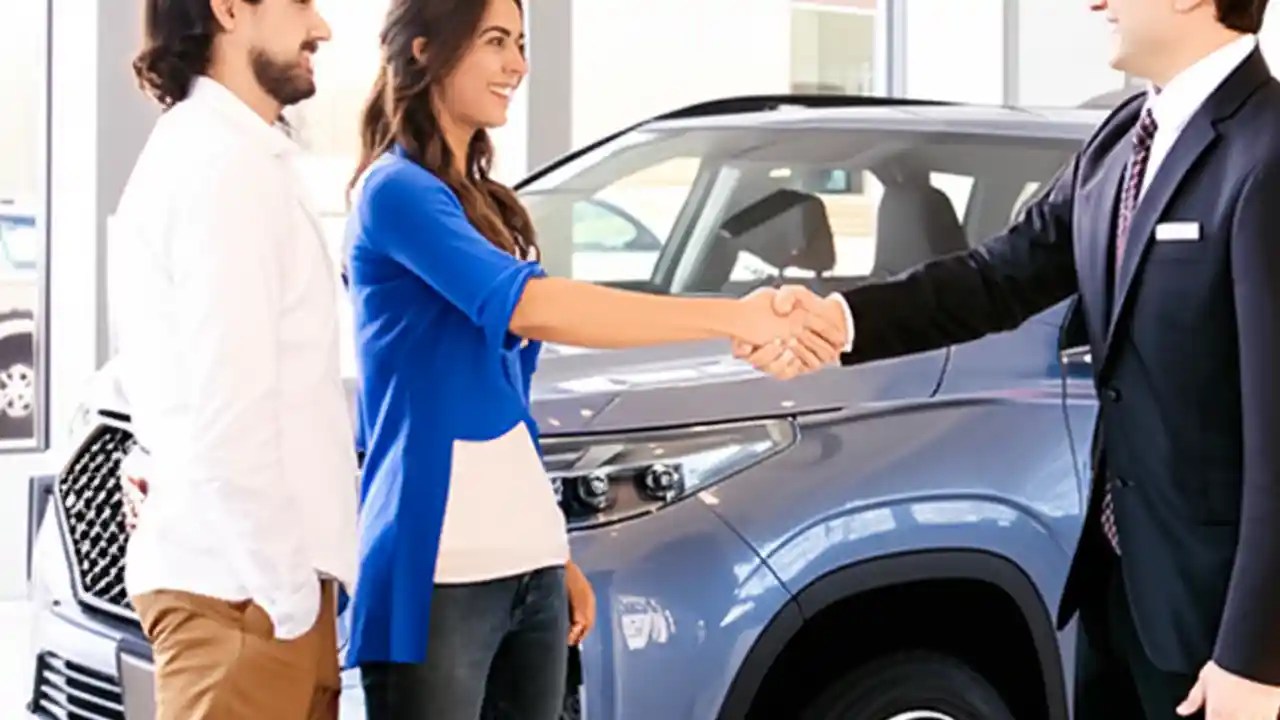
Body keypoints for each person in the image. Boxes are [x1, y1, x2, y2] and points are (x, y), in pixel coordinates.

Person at [738, 0, 1280, 718]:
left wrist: (1258, 655)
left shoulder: (1268, 151)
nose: (1096, 3)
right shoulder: (1122, 140)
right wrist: (839, 319)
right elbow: (999, 276)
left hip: (1219, 619)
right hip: (1119, 596)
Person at [340, 0, 844, 716]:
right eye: (495, 42)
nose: (517, 64)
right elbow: (534, 308)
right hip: (439, 571)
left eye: (520, 42)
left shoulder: (484, 205)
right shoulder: (395, 194)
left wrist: (554, 549)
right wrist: (733, 316)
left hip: (530, 565)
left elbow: (509, 400)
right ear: (423, 50)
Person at [110, 1, 358, 717]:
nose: (322, 28)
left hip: (261, 596)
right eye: (301, 2)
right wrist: (283, 596)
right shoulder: (221, 168)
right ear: (227, 9)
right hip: (241, 600)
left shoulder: (237, 158)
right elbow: (230, 411)